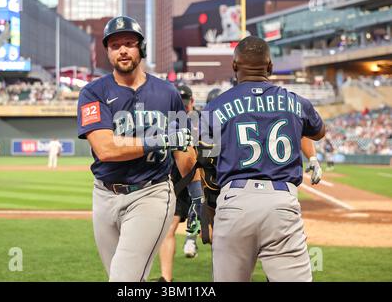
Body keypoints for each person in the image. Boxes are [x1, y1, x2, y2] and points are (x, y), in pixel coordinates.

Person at [76, 16, 203, 282]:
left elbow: (183, 151)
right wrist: (162, 140)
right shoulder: (93, 92)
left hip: (151, 193)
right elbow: (106, 149)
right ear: (108, 52)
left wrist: (196, 198)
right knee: (130, 280)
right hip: (104, 195)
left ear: (140, 48)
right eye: (115, 45)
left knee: (123, 279)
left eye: (129, 43)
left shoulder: (168, 93)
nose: (122, 50)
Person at [201, 36, 325, 282]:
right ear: (270, 67)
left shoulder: (214, 107)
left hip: (234, 201)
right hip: (281, 202)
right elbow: (318, 131)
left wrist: (209, 209)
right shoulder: (295, 101)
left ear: (235, 66)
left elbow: (206, 161)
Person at [157, 84, 199, 282]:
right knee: (168, 229)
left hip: (200, 180)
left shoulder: (203, 121)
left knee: (215, 229)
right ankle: (166, 279)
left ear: (192, 102)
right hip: (177, 181)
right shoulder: (170, 121)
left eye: (185, 103)